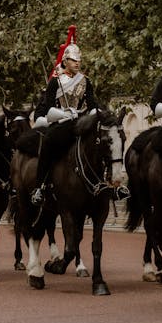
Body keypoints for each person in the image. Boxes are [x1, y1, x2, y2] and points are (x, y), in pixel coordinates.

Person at [30, 25, 99, 205]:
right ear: (65, 61)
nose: (77, 63)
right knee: (48, 143)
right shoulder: (55, 82)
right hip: (61, 124)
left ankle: (106, 184)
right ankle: (40, 186)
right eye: (73, 60)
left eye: (79, 60)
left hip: (81, 123)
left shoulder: (86, 81)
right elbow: (49, 109)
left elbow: (92, 104)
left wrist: (94, 116)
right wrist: (64, 114)